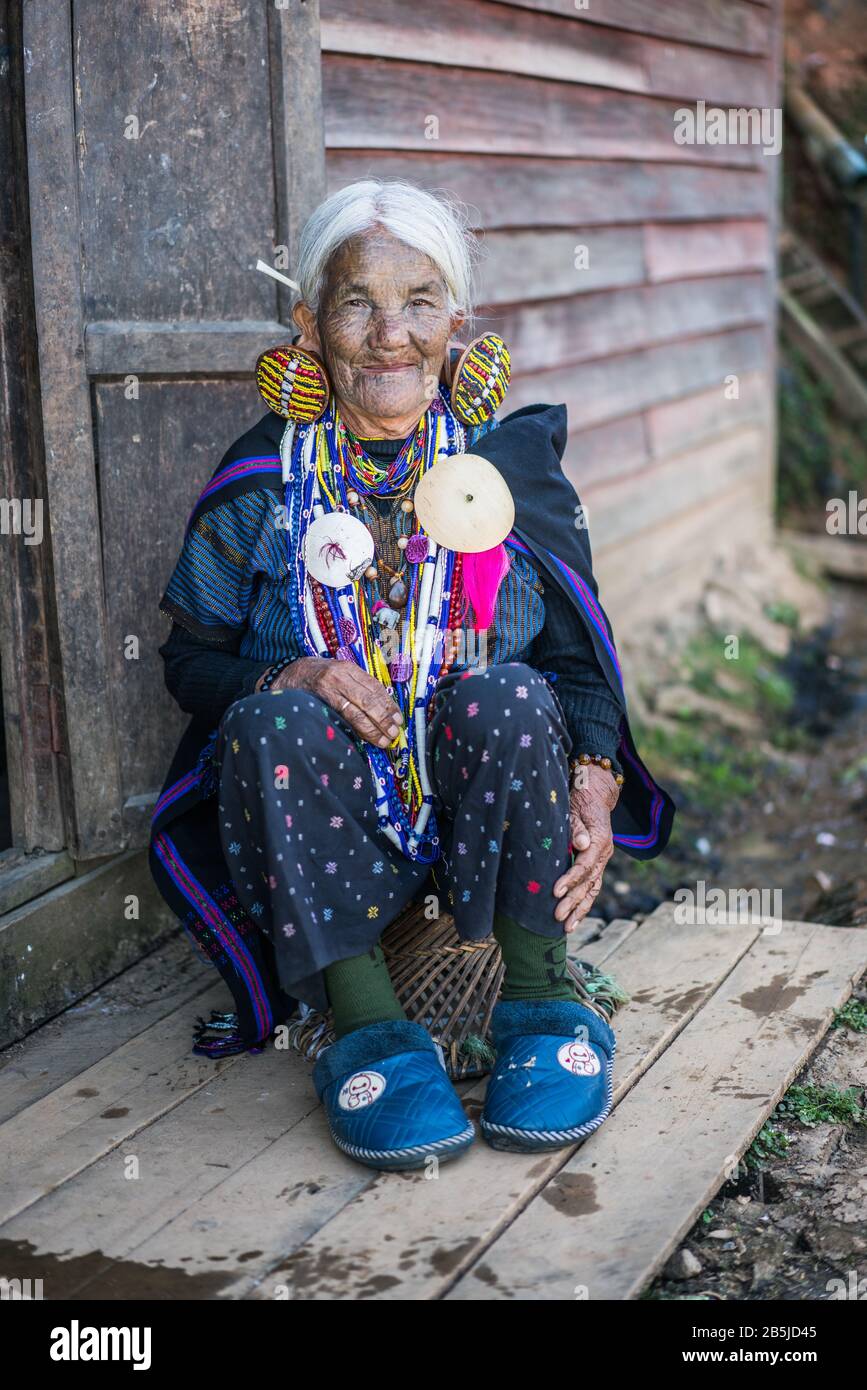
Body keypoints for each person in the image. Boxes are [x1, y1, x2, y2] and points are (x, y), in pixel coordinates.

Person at [150, 179, 674, 1170]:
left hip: (490, 821)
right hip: (334, 828)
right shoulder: (258, 484)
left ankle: (538, 997)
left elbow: (580, 666)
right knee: (271, 722)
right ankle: (368, 1032)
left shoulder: (508, 469)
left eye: (419, 302)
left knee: (514, 692)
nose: (390, 335)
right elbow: (188, 664)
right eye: (357, 303)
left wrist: (597, 777)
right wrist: (292, 672)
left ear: (458, 324)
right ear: (308, 327)